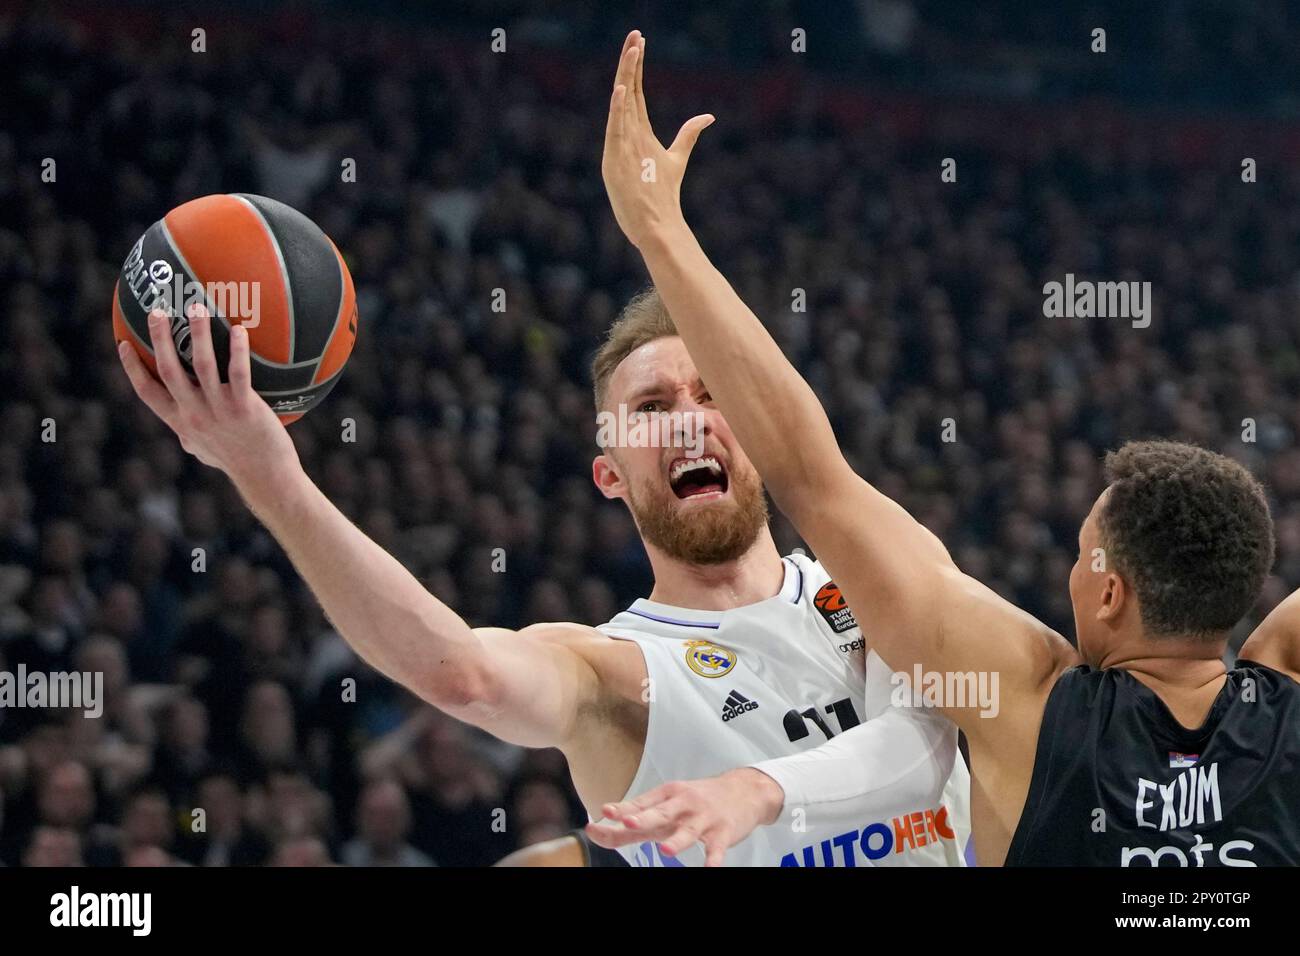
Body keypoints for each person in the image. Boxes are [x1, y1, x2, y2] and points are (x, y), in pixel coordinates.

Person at [586, 30, 1300, 867]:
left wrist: (661, 234)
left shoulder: (1030, 704)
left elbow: (810, 478)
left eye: (1081, 555)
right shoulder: (1286, 687)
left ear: (1107, 592)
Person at [116, 287, 968, 868]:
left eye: (711, 396)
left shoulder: (873, 576)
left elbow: (930, 748)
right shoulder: (610, 670)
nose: (689, 424)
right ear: (610, 475)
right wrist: (272, 477)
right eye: (652, 409)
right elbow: (463, 672)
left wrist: (756, 791)